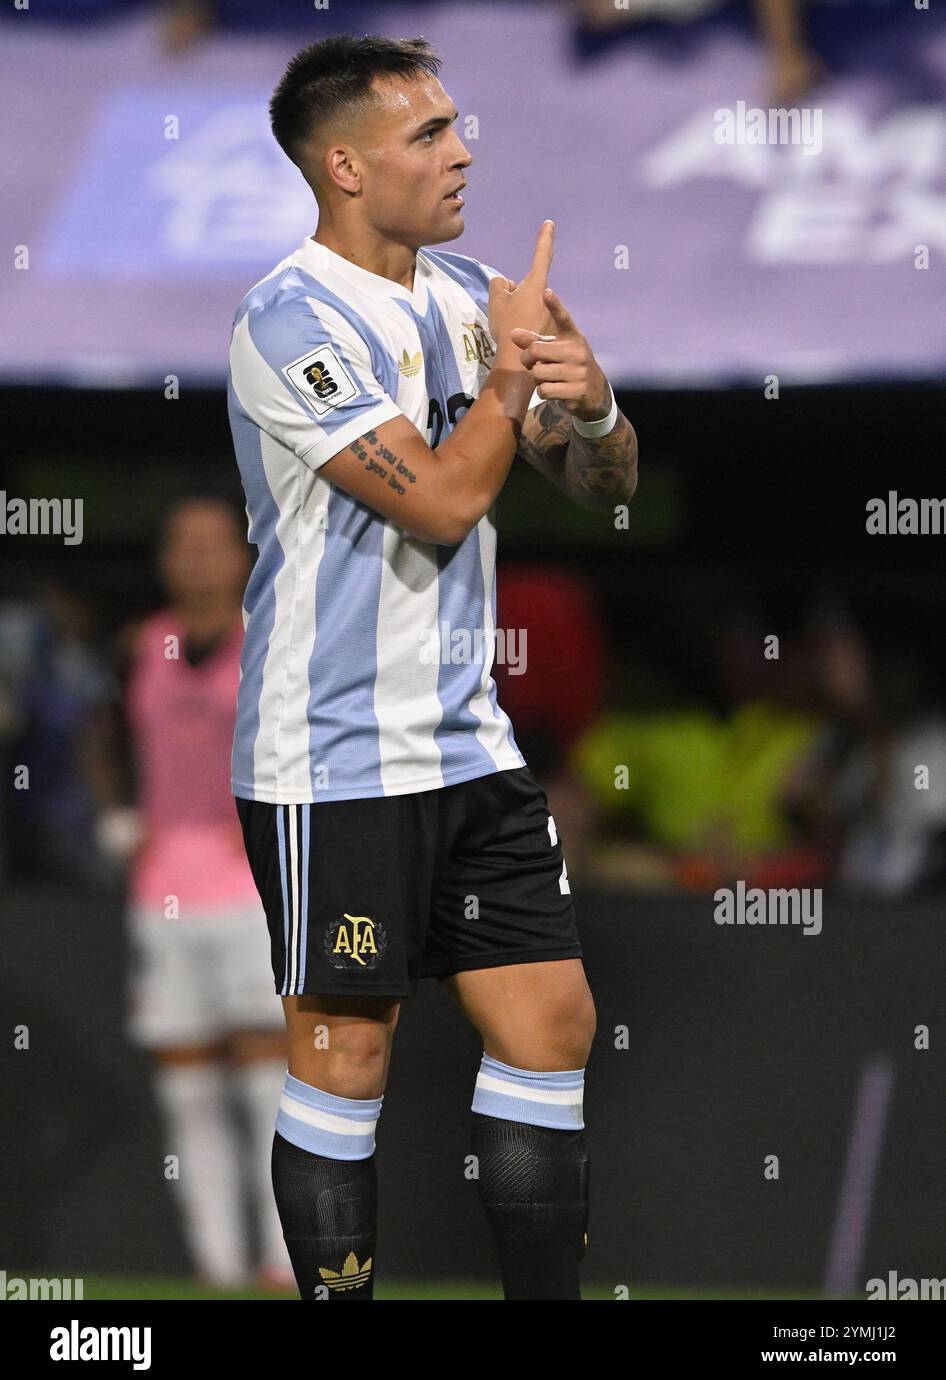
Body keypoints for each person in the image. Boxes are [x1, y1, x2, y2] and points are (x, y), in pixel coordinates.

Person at [227, 33, 638, 1300]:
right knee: (349, 1049)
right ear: (343, 164)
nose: (462, 152)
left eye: (459, 126)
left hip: (470, 744)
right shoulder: (286, 321)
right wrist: (515, 378)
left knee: (552, 1020)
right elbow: (447, 503)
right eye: (428, 134)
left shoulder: (472, 295)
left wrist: (597, 400)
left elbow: (603, 484)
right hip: (333, 755)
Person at [122, 498, 295, 1290]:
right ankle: (217, 1270)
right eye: (181, 544)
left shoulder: (274, 636)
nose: (196, 560)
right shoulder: (143, 646)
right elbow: (116, 745)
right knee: (187, 1087)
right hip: (162, 893)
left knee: (268, 1078)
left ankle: (284, 1263)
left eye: (212, 544)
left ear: (242, 554)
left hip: (247, 889)